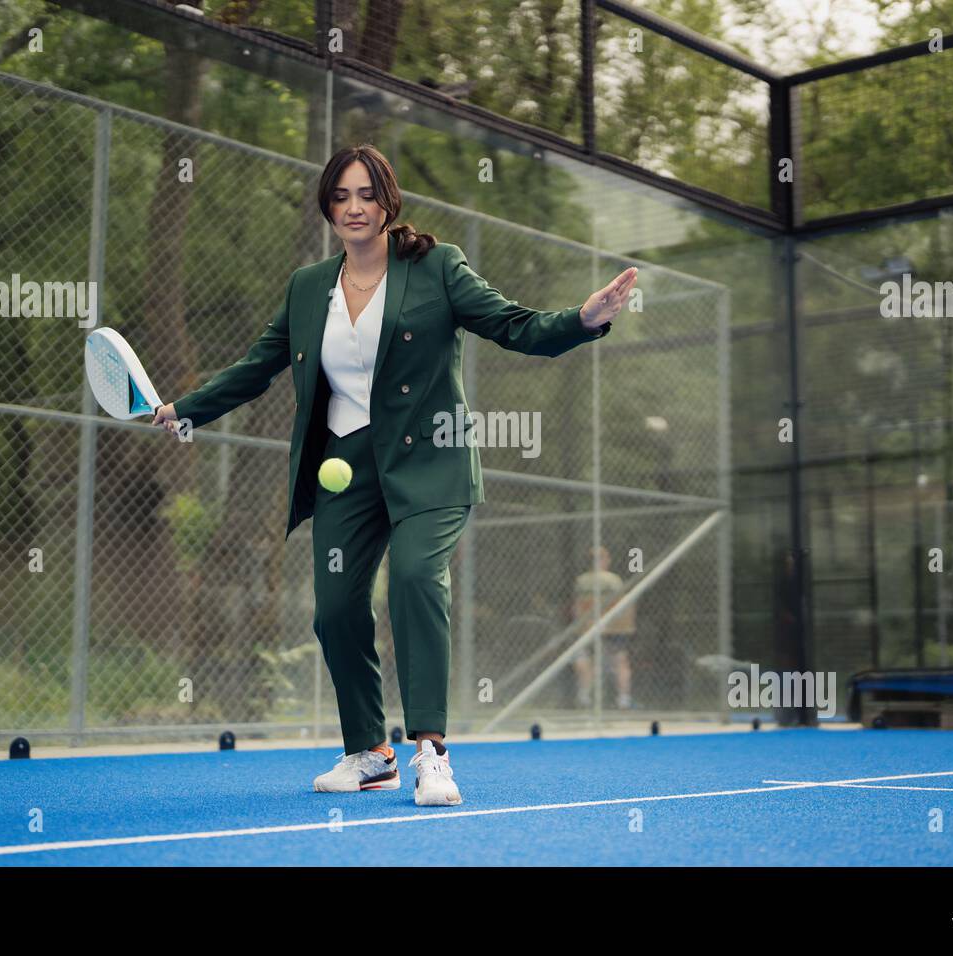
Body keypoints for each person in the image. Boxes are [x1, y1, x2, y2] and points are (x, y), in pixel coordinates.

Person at [153, 144, 638, 803]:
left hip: (431, 463)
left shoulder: (437, 267)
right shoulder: (307, 288)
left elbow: (512, 325)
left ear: (389, 200)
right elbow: (256, 367)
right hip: (346, 471)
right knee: (334, 610)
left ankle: (430, 753)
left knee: (414, 579)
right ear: (328, 206)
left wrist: (582, 321)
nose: (354, 207)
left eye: (366, 194)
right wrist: (184, 409)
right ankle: (369, 752)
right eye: (342, 196)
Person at [571, 546, 637, 709]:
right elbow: (619, 605)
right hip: (608, 626)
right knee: (618, 661)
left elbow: (578, 608)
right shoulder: (611, 579)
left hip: (597, 626)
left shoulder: (582, 580)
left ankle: (586, 696)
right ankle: (622, 698)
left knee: (599, 660)